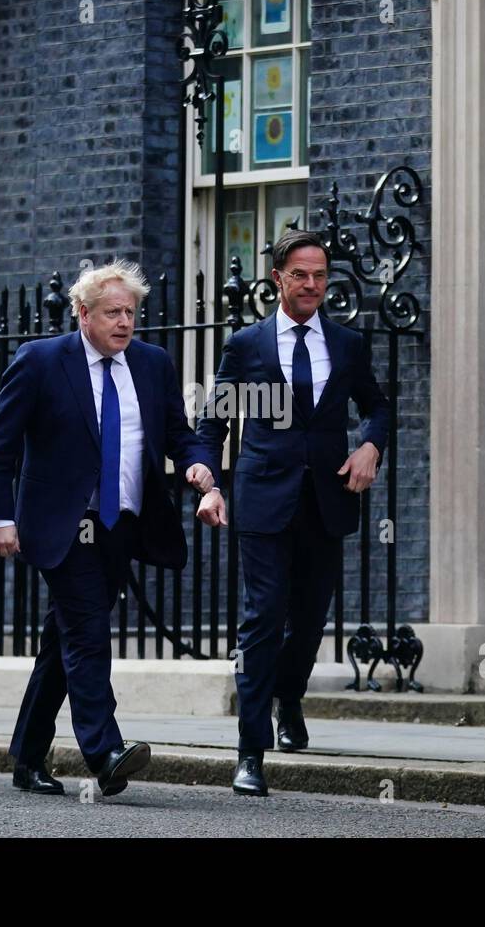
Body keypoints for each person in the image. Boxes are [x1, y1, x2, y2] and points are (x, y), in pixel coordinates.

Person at [0, 260, 215, 797]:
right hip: (64, 525)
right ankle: (105, 750)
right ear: (83, 313)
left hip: (121, 525)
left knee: (63, 641)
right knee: (86, 631)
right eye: (113, 312)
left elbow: (179, 435)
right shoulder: (41, 361)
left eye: (130, 312)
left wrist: (203, 471)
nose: (125, 322)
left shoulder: (152, 364)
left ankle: (28, 756)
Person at [196, 229, 391, 796]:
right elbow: (215, 423)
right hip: (262, 501)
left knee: (308, 621)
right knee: (262, 619)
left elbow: (377, 406)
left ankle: (290, 695)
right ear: (278, 278)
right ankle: (250, 752)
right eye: (301, 275)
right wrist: (208, 482)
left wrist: (370, 446)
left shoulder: (347, 344)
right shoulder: (247, 345)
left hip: (326, 501)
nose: (312, 285)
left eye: (321, 275)